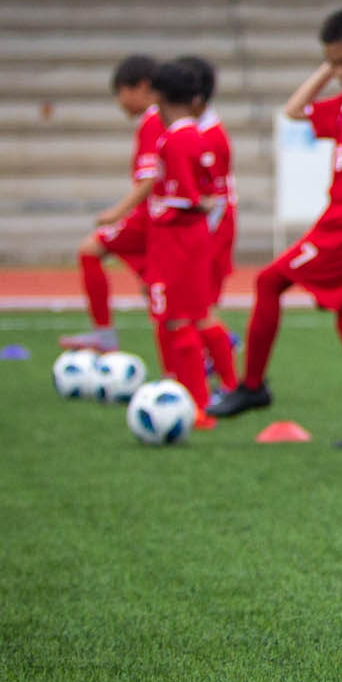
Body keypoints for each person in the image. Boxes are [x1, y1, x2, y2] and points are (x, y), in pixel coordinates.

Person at [208, 8, 342, 442]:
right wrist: (330, 66)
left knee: (268, 282)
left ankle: (252, 386)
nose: (340, 73)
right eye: (333, 64)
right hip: (341, 217)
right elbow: (295, 110)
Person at [59, 55, 161, 351]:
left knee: (90, 250)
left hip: (151, 217)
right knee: (161, 293)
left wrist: (118, 212)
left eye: (120, 93)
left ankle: (104, 334)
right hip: (157, 217)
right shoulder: (161, 119)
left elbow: (150, 178)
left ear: (140, 87)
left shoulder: (153, 121)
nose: (119, 102)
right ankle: (211, 346)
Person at [142, 60, 222, 428]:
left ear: (158, 98)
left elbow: (189, 197)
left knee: (178, 318)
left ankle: (198, 404)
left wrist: (160, 205)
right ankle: (204, 394)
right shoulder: (196, 137)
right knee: (192, 314)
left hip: (177, 237)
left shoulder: (175, 140)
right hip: (189, 237)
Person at [176, 55, 239, 395]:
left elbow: (212, 198)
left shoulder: (211, 136)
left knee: (202, 308)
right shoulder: (197, 132)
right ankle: (211, 373)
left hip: (212, 229)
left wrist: (198, 240)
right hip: (206, 228)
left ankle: (225, 379)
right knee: (198, 308)